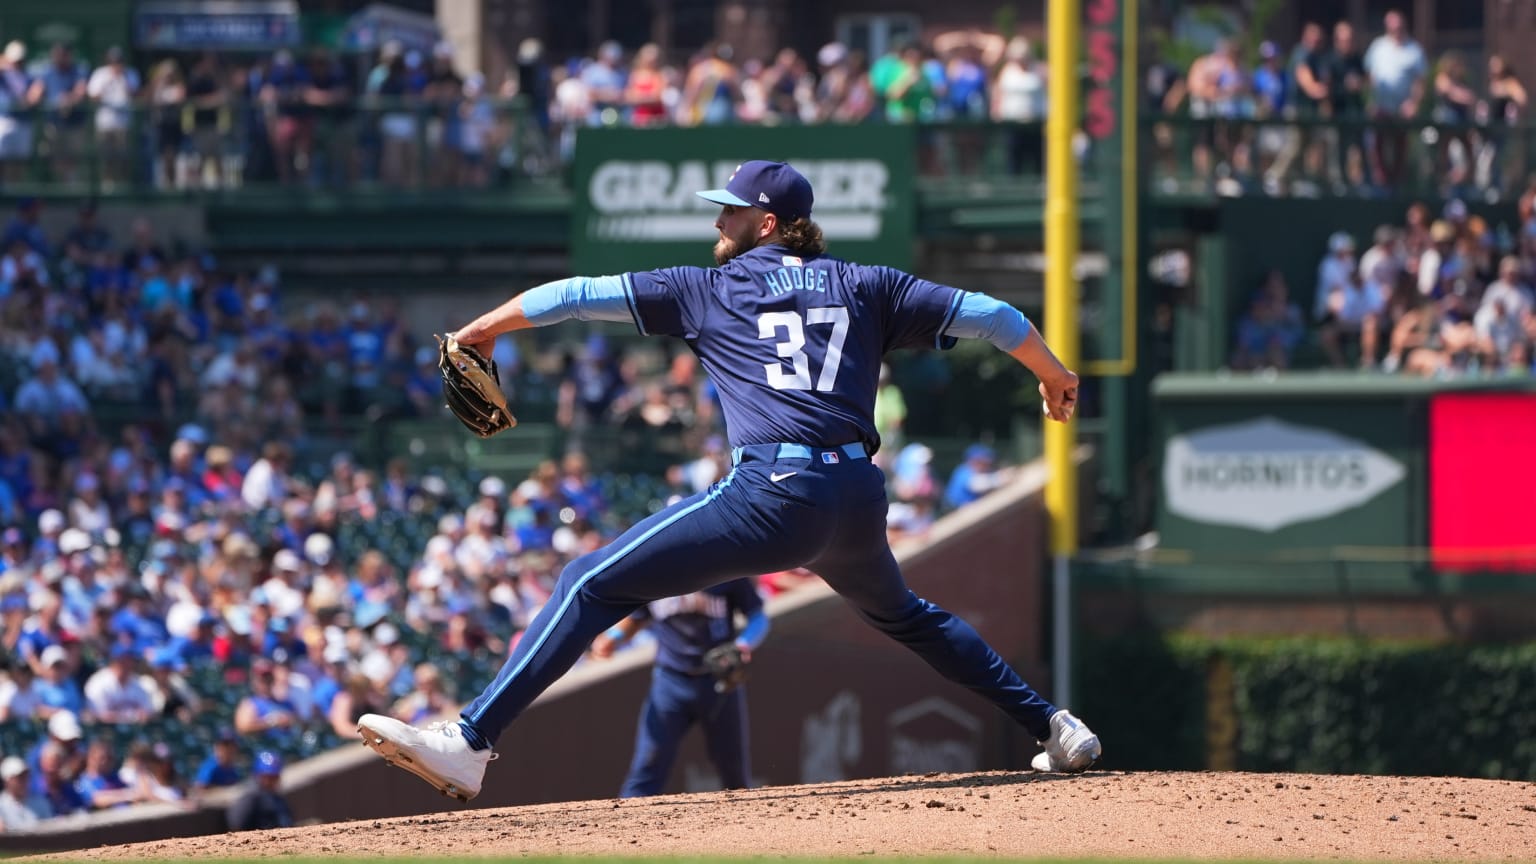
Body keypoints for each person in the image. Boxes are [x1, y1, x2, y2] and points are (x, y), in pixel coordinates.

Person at [357, 159, 1099, 802]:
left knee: (590, 581)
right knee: (906, 615)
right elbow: (997, 315)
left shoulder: (708, 289)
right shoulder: (871, 284)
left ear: (769, 224)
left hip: (776, 493)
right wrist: (1055, 376)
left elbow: (576, 294)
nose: (720, 219)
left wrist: (483, 329)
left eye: (732, 210)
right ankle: (1056, 727)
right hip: (854, 497)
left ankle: (471, 741)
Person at [590, 578, 769, 797]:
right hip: (670, 682)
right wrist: (613, 637)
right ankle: (623, 829)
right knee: (646, 768)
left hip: (719, 682)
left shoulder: (726, 564)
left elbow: (757, 616)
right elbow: (638, 617)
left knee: (734, 773)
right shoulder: (657, 573)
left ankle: (745, 829)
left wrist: (743, 644)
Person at [225, 751, 293, 832]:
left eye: (274, 776)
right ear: (258, 775)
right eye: (268, 776)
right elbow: (237, 823)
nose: (272, 780)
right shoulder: (251, 795)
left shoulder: (275, 796)